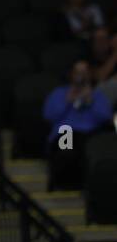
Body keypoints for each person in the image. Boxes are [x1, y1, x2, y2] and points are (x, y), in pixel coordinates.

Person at [42, 61, 114, 190]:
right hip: (66, 132)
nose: (81, 76)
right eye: (78, 72)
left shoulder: (97, 95)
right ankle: (62, 181)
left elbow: (105, 117)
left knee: (96, 148)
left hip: (91, 133)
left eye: (84, 72)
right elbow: (49, 115)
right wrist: (67, 101)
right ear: (71, 75)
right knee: (67, 147)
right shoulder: (60, 93)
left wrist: (90, 101)